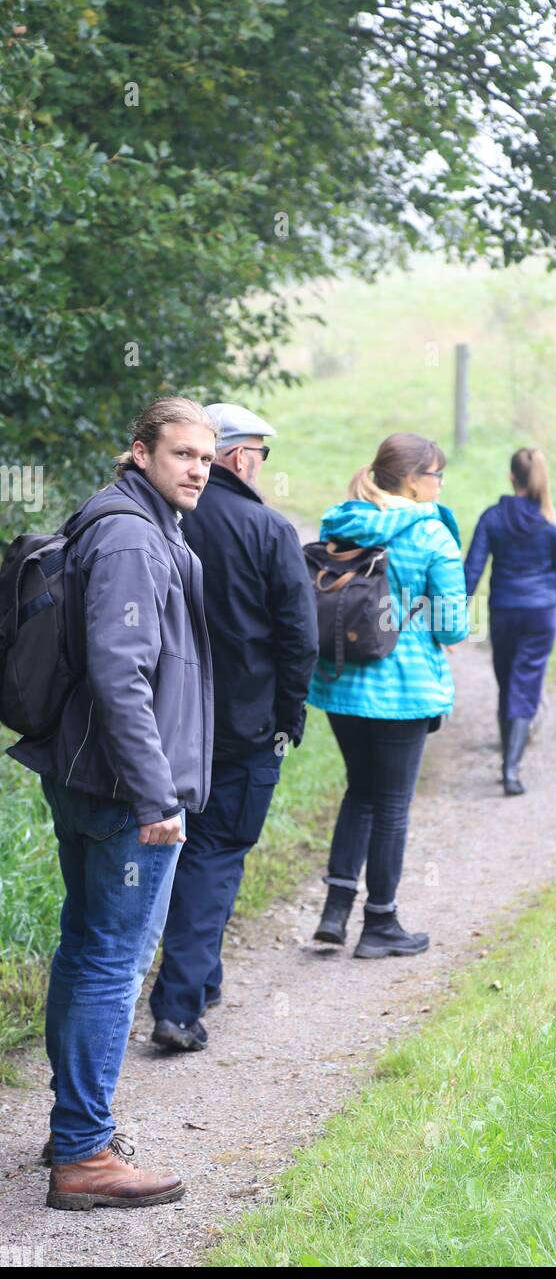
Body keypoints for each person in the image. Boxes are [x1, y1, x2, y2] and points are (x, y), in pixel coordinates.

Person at [7, 397, 217, 1208]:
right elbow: (120, 673)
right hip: (126, 788)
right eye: (182, 454)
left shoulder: (135, 518)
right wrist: (156, 794)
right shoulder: (132, 533)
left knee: (85, 948)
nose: (198, 468)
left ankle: (74, 1132)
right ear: (140, 452)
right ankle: (86, 1154)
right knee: (112, 961)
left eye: (207, 455)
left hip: (94, 775)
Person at [149, 403, 319, 1052]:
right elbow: (299, 640)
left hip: (159, 723)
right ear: (241, 455)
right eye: (261, 456)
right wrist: (289, 716)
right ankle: (178, 1005)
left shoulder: (159, 518)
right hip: (242, 729)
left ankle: (203, 978)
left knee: (170, 851)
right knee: (214, 856)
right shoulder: (268, 530)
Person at [308, 433, 469, 958]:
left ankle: (335, 912)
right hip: (405, 691)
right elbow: (451, 629)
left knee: (360, 791)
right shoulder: (431, 535)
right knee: (393, 806)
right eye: (437, 475)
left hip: (343, 684)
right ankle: (380, 924)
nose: (441, 485)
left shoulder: (345, 521)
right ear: (412, 479)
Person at [463, 447, 556, 796]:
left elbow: (471, 572)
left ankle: (508, 762)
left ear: (511, 477)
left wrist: (452, 613)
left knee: (508, 681)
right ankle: (511, 770)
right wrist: (554, 602)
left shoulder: (492, 518)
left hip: (505, 612)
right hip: (541, 613)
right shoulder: (553, 522)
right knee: (524, 686)